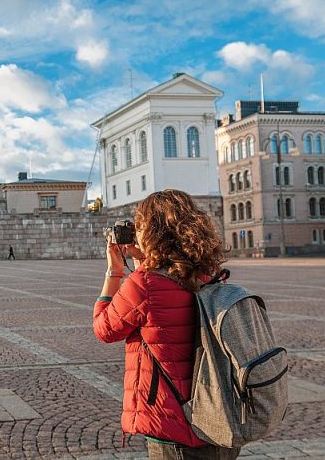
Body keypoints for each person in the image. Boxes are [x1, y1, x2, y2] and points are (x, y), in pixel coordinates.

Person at [93, 190, 238, 459]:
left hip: (175, 424)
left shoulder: (144, 282)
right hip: (220, 416)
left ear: (151, 232)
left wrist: (114, 271)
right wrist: (145, 261)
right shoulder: (210, 275)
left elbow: (104, 328)